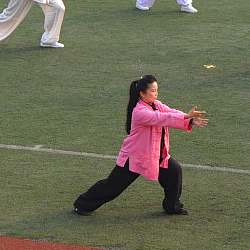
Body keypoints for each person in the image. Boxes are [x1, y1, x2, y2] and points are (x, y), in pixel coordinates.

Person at [72, 75, 208, 216]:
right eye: (153, 91)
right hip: (135, 157)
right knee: (112, 186)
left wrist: (190, 119)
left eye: (156, 90)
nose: (156, 94)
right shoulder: (139, 112)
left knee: (174, 172)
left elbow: (170, 112)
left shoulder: (157, 104)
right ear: (142, 94)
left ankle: (172, 206)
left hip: (156, 155)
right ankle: (82, 204)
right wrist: (185, 116)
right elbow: (161, 118)